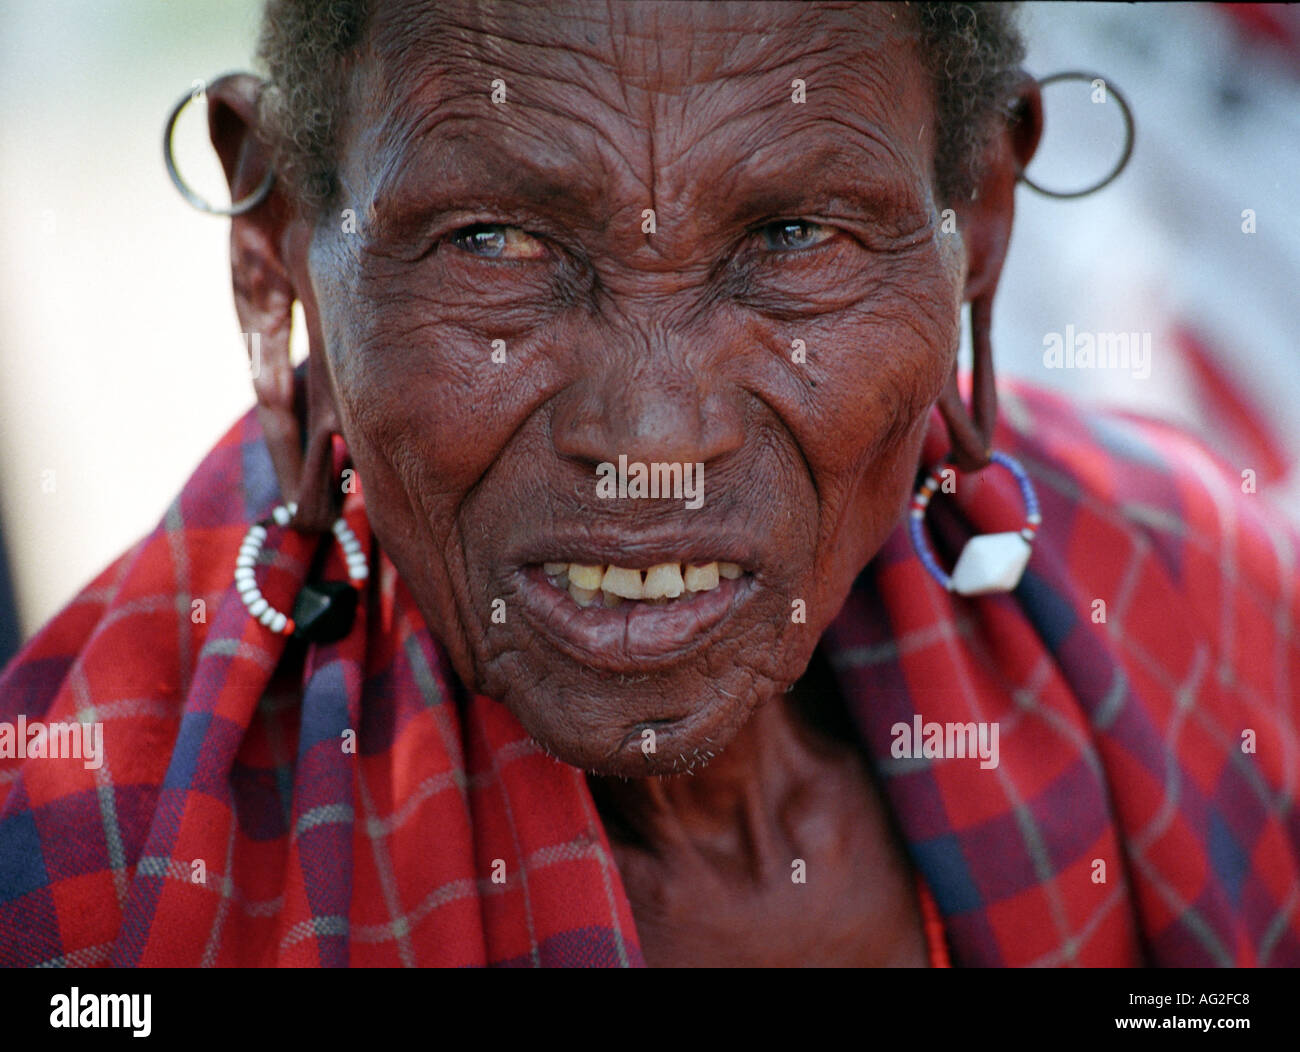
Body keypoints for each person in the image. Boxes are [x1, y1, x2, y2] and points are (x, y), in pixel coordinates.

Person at [1, 0, 1296, 968]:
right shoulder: (75, 866)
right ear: (278, 241)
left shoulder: (1214, 608)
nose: (651, 434)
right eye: (493, 241)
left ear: (979, 225)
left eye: (794, 235)